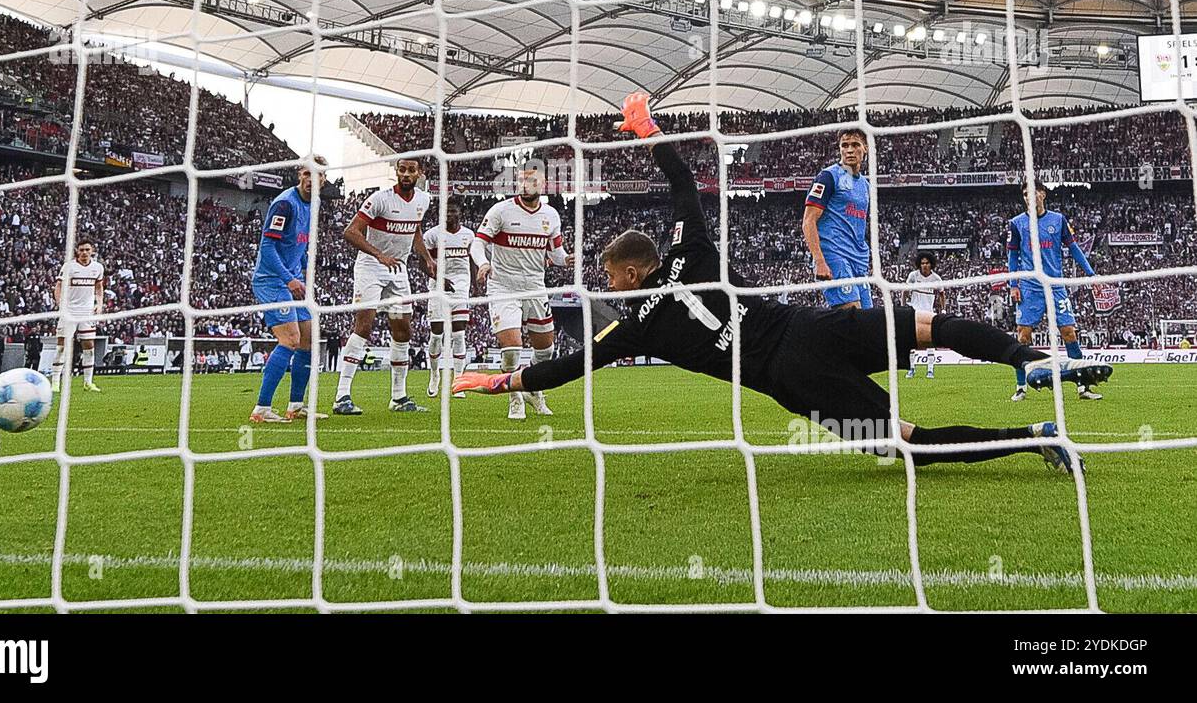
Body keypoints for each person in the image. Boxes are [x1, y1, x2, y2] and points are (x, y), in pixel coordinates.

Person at [455, 93, 1112, 474]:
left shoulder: (635, 324)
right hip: (809, 323)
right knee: (927, 326)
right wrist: (648, 128)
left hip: (792, 378)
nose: (612, 285)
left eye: (611, 276)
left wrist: (500, 380)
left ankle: (1040, 437)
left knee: (905, 440)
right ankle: (1026, 356)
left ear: (630, 273)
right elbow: (685, 184)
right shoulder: (694, 249)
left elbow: (570, 367)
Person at [469, 165, 575, 421]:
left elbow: (555, 254)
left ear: (543, 184)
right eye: (523, 180)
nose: (527, 185)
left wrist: (567, 259)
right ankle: (514, 399)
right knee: (512, 348)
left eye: (533, 181)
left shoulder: (550, 215)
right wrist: (483, 263)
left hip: (536, 288)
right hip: (503, 287)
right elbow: (477, 242)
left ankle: (534, 391)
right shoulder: (501, 211)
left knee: (545, 351)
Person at [335, 157, 435, 415]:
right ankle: (341, 396)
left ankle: (398, 397)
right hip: (371, 268)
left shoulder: (423, 200)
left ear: (418, 173)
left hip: (398, 272)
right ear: (396, 172)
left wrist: (426, 257)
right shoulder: (379, 199)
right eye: (401, 170)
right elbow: (350, 231)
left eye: (410, 170)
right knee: (364, 326)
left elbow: (415, 230)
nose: (405, 174)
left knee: (402, 331)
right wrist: (379, 255)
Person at [1008, 180, 1103, 402]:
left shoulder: (1058, 220)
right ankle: (1021, 387)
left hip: (1056, 285)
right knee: (1023, 337)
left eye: (1032, 193)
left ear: (1042, 194)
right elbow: (1012, 256)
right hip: (1030, 287)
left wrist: (1090, 273)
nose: (1028, 197)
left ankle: (1083, 387)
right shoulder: (1016, 223)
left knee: (1069, 332)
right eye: (1024, 194)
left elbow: (1073, 248)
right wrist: (1014, 285)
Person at [248, 159, 327, 423]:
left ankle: (296, 405)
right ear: (299, 175)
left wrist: (303, 276)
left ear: (323, 180)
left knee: (308, 339)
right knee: (290, 340)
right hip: (271, 280)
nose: (310, 179)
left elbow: (301, 246)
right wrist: (289, 279)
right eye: (306, 174)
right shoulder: (284, 204)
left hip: (293, 279)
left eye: (316, 175)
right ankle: (262, 409)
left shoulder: (314, 203)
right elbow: (267, 248)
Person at [802, 128, 871, 309]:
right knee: (851, 314)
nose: (849, 150)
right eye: (844, 145)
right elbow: (808, 221)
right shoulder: (828, 177)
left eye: (855, 145)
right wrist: (820, 261)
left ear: (866, 148)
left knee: (869, 319)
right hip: (834, 254)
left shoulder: (865, 185)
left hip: (858, 259)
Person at [423, 198, 476, 399]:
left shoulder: (468, 235)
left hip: (461, 285)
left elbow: (472, 260)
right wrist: (438, 278)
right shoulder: (432, 235)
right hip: (438, 286)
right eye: (447, 211)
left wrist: (476, 286)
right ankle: (434, 373)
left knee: (459, 334)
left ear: (459, 213)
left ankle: (459, 380)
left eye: (454, 211)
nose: (450, 215)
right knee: (437, 334)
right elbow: (423, 263)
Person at [51, 236, 105, 394]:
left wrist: (99, 304)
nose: (84, 253)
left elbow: (99, 287)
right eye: (81, 250)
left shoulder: (98, 268)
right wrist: (61, 305)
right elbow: (58, 286)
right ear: (77, 251)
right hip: (70, 312)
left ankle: (88, 382)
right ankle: (55, 382)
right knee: (62, 347)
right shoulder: (69, 267)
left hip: (87, 313)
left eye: (87, 250)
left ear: (92, 251)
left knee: (89, 347)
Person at [904, 251, 944, 379]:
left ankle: (930, 370)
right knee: (910, 341)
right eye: (922, 263)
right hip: (914, 312)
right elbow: (904, 291)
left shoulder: (936, 279)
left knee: (930, 341)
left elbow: (942, 294)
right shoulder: (913, 276)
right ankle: (911, 369)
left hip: (928, 312)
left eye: (927, 263)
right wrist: (904, 305)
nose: (924, 265)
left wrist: (943, 310)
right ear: (919, 264)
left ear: (931, 264)